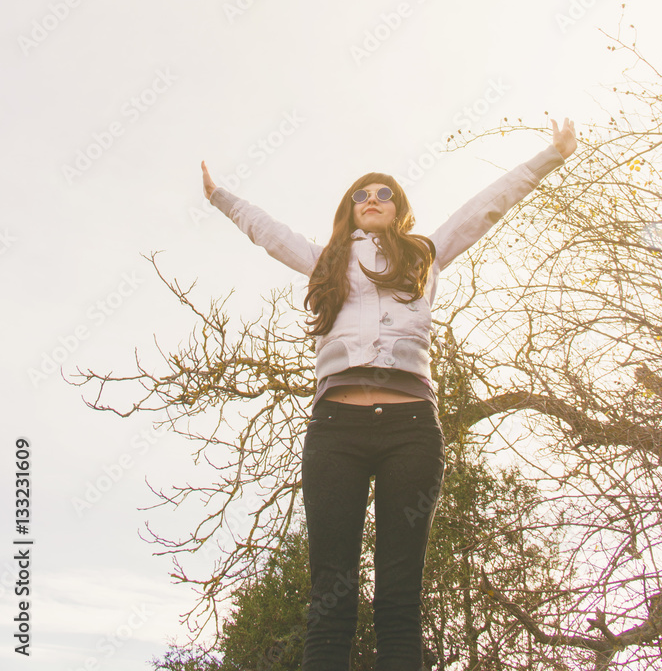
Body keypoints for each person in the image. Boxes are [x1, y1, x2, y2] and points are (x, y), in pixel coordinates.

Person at [200, 118, 577, 671]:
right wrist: (219, 197)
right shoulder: (326, 259)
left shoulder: (425, 255)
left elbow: (486, 207)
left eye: (385, 194)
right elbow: (268, 231)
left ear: (398, 209)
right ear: (349, 209)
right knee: (331, 595)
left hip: (410, 431)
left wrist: (553, 155)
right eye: (362, 194)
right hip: (336, 432)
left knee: (400, 599)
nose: (373, 199)